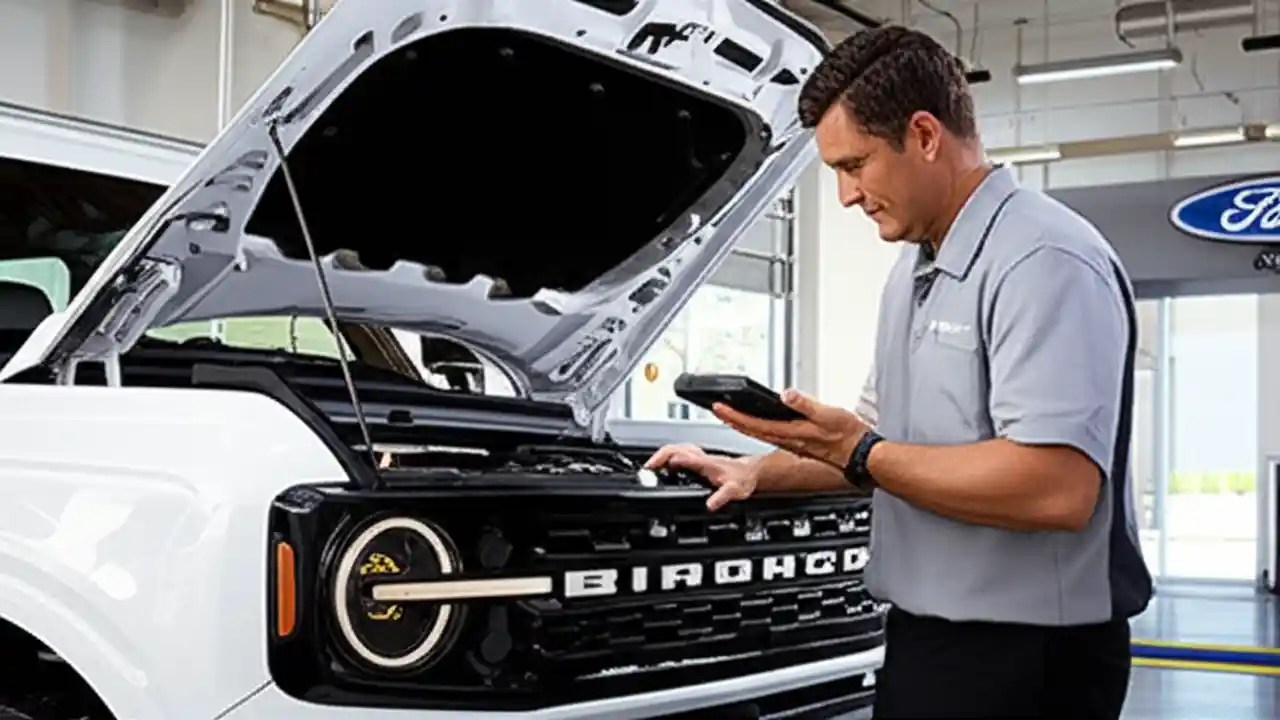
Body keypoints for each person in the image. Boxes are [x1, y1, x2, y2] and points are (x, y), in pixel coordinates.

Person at [644, 24, 1152, 720]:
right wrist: (757, 472)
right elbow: (886, 446)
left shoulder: (1044, 261)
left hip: (1032, 659)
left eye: (855, 165)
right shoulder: (915, 270)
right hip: (930, 639)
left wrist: (860, 449)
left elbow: (1055, 489)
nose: (848, 196)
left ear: (924, 134)